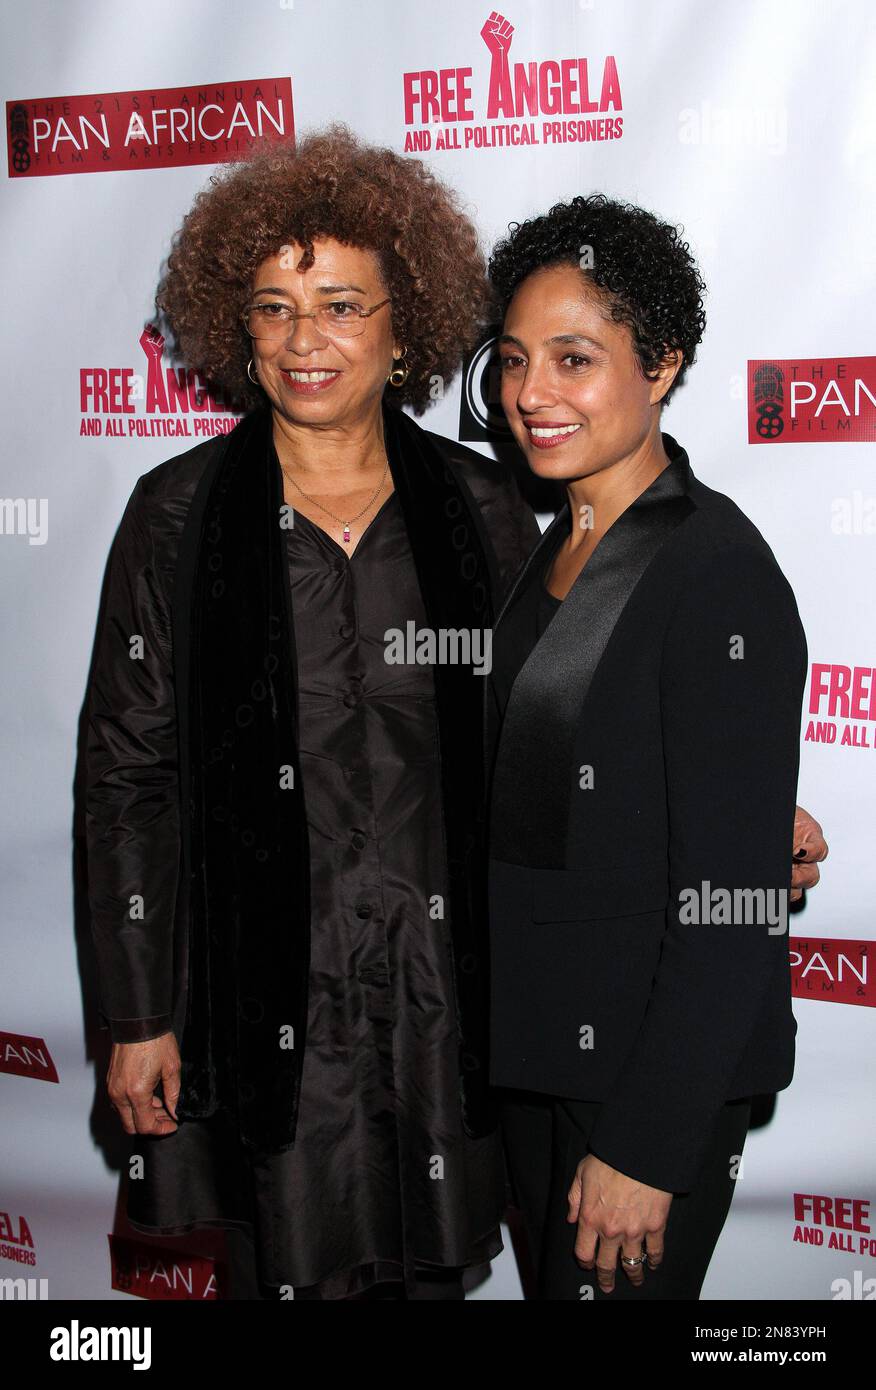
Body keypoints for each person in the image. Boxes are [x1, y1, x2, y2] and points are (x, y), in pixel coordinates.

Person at [83, 125, 541, 1301]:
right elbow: (130, 773)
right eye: (276, 307)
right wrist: (138, 1013)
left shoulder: (480, 509)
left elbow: (550, 731)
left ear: (408, 323)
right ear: (237, 324)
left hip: (439, 998)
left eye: (341, 303)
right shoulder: (177, 516)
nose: (306, 340)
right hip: (259, 998)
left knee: (429, 1275)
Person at [483, 193, 826, 1300]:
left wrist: (645, 1143)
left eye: (574, 359)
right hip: (541, 1060)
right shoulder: (558, 550)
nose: (531, 394)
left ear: (662, 364)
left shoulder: (714, 571)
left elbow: (732, 913)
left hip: (637, 1087)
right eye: (516, 359)